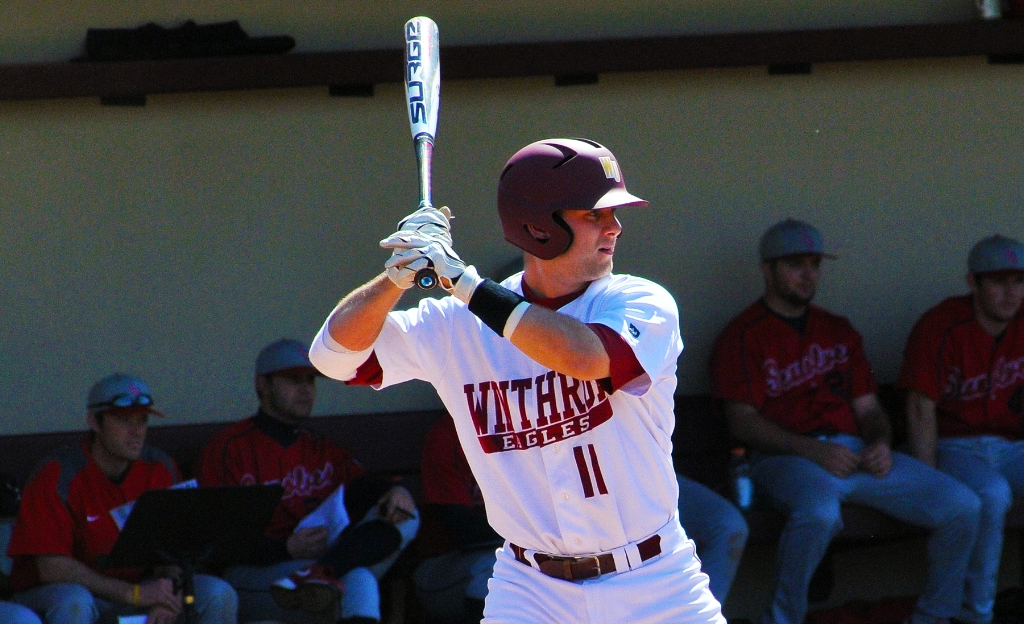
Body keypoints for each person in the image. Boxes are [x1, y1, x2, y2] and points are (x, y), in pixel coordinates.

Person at [309, 138, 724, 623]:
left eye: (612, 213)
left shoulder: (639, 301)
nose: (614, 227)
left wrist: (462, 282)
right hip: (530, 589)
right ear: (538, 227)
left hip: (655, 581)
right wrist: (396, 277)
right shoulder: (455, 326)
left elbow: (584, 356)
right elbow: (333, 357)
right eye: (594, 214)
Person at [709, 218, 982, 624]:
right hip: (784, 459)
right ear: (767, 270)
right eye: (795, 264)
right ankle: (782, 620)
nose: (808, 274)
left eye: (814, 264)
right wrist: (812, 450)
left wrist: (880, 444)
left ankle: (934, 618)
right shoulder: (742, 335)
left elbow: (869, 411)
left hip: (853, 455)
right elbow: (742, 422)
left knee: (963, 505)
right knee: (820, 512)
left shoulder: (837, 329)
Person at [415, 414, 747, 623]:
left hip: (554, 557)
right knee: (508, 568)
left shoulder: (565, 420)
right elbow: (459, 527)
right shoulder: (449, 435)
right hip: (451, 566)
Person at [195, 338, 420, 624]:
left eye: (310, 380)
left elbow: (363, 488)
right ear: (262, 385)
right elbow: (217, 541)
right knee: (354, 581)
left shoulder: (321, 448)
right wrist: (285, 548)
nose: (305, 389)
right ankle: (320, 574)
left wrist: (396, 489)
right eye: (293, 380)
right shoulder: (229, 449)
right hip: (256, 575)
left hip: (320, 565)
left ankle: (322, 572)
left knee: (403, 518)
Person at [5, 373, 238, 624]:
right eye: (124, 420)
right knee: (74, 602)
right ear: (94, 422)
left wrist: (170, 593)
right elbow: (53, 569)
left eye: (143, 420)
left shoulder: (160, 467)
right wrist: (133, 594)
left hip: (141, 588)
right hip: (70, 595)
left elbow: (178, 551)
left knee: (217, 593)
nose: (137, 432)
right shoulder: (57, 473)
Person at [899, 233, 1024, 624]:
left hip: (1012, 446)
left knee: (995, 489)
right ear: (973, 282)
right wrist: (929, 486)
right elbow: (919, 408)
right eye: (999, 281)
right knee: (991, 494)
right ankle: (976, 615)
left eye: (1019, 281)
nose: (1011, 292)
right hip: (956, 446)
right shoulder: (941, 325)